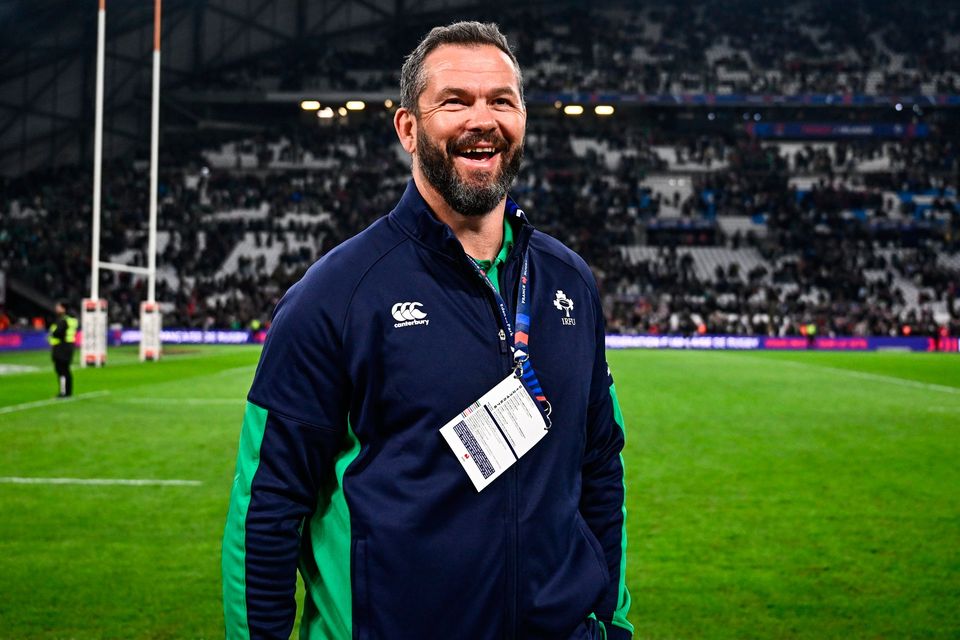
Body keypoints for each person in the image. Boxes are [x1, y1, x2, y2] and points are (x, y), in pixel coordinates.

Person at [222, 22, 632, 640]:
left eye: (501, 100)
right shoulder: (336, 294)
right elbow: (269, 503)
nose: (483, 119)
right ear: (409, 128)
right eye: (454, 101)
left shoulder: (569, 281)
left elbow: (599, 465)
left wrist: (611, 621)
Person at [48, 302, 77, 397]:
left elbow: (57, 333)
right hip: (68, 346)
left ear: (63, 308)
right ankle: (68, 391)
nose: (56, 308)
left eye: (58, 307)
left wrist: (52, 333)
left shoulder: (63, 320)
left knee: (61, 370)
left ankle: (63, 392)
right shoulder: (71, 319)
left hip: (61, 347)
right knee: (66, 370)